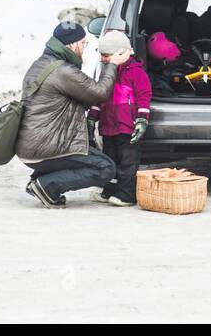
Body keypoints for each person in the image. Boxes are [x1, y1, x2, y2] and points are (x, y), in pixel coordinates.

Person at [16, 21, 130, 209]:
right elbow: (99, 93)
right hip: (48, 147)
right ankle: (46, 185)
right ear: (72, 44)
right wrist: (113, 65)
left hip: (32, 146)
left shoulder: (42, 64)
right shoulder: (62, 71)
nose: (85, 48)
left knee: (92, 157)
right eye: (83, 43)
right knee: (105, 168)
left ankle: (40, 182)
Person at [88, 30, 152, 207]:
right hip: (108, 126)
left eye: (106, 55)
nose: (103, 59)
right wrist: (92, 117)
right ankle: (109, 190)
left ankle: (126, 194)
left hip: (127, 127)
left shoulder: (137, 73)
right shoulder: (107, 73)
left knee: (127, 162)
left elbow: (144, 97)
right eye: (101, 55)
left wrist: (141, 119)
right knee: (109, 161)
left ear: (121, 53)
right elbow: (99, 97)